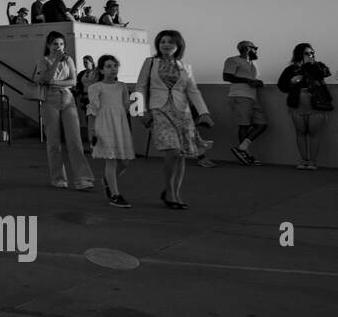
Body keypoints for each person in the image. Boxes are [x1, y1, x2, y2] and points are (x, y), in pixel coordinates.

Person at [136, 30, 213, 209]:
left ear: (178, 45)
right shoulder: (150, 63)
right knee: (173, 150)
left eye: (170, 42)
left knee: (181, 155)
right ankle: (169, 192)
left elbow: (192, 90)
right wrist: (140, 111)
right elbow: (140, 86)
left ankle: (175, 193)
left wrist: (204, 112)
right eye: (162, 41)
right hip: (159, 110)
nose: (166, 45)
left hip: (182, 113)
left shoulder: (184, 67)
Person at [31, 31, 95, 190]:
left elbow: (73, 81)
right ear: (48, 45)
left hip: (67, 99)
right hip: (49, 101)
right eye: (54, 44)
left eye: (61, 44)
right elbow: (44, 79)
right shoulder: (44, 60)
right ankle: (58, 178)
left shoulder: (69, 60)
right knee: (53, 141)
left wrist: (55, 82)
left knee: (75, 140)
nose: (58, 47)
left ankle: (83, 178)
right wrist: (55, 64)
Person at [87, 55, 134, 207]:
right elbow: (92, 110)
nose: (113, 68)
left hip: (120, 125)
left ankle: (107, 180)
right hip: (104, 125)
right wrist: (92, 132)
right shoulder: (95, 87)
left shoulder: (122, 86)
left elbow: (126, 106)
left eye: (115, 65)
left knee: (125, 162)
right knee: (111, 160)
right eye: (108, 66)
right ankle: (115, 194)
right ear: (101, 69)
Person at [278, 44, 332, 170]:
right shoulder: (290, 69)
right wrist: (292, 81)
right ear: (299, 54)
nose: (310, 55)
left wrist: (311, 64)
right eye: (307, 53)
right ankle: (304, 161)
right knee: (300, 132)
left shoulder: (318, 66)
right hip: (297, 104)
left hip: (316, 103)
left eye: (312, 52)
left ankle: (312, 162)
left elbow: (325, 74)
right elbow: (281, 86)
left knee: (314, 132)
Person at [224, 40, 268, 165]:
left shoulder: (253, 63)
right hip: (239, 96)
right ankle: (245, 155)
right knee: (244, 125)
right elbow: (226, 76)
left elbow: (252, 79)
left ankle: (241, 148)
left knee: (262, 125)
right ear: (247, 48)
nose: (256, 51)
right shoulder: (232, 60)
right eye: (255, 48)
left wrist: (257, 82)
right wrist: (248, 81)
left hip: (252, 97)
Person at [74, 54, 96, 151]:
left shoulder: (96, 73)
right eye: (83, 62)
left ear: (91, 62)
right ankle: (91, 143)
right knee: (88, 120)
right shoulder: (82, 73)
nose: (85, 64)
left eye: (86, 62)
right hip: (85, 98)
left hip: (95, 99)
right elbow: (78, 85)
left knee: (96, 120)